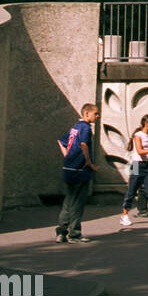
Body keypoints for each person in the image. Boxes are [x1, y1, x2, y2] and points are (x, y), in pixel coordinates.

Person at [56, 103, 100, 243]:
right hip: (80, 170)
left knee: (69, 201)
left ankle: (61, 232)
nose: (97, 116)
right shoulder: (85, 128)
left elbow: (61, 141)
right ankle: (74, 234)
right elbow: (83, 144)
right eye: (96, 114)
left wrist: (67, 156)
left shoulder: (75, 126)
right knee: (78, 203)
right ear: (87, 113)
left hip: (68, 169)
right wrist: (88, 162)